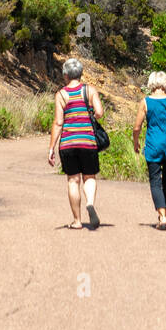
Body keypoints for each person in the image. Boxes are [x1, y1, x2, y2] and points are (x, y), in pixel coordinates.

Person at [48, 58, 104, 229]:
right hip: (88, 141)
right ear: (80, 73)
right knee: (90, 177)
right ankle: (90, 203)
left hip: (68, 143)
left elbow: (58, 123)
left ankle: (77, 221)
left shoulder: (61, 95)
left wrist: (51, 148)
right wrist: (89, 116)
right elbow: (100, 113)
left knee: (73, 181)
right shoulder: (90, 90)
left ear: (65, 75)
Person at [132, 71, 166, 230]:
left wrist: (135, 142)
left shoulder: (145, 102)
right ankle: (165, 214)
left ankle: (162, 216)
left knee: (155, 181)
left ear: (151, 84)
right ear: (165, 83)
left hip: (153, 145)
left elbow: (137, 127)